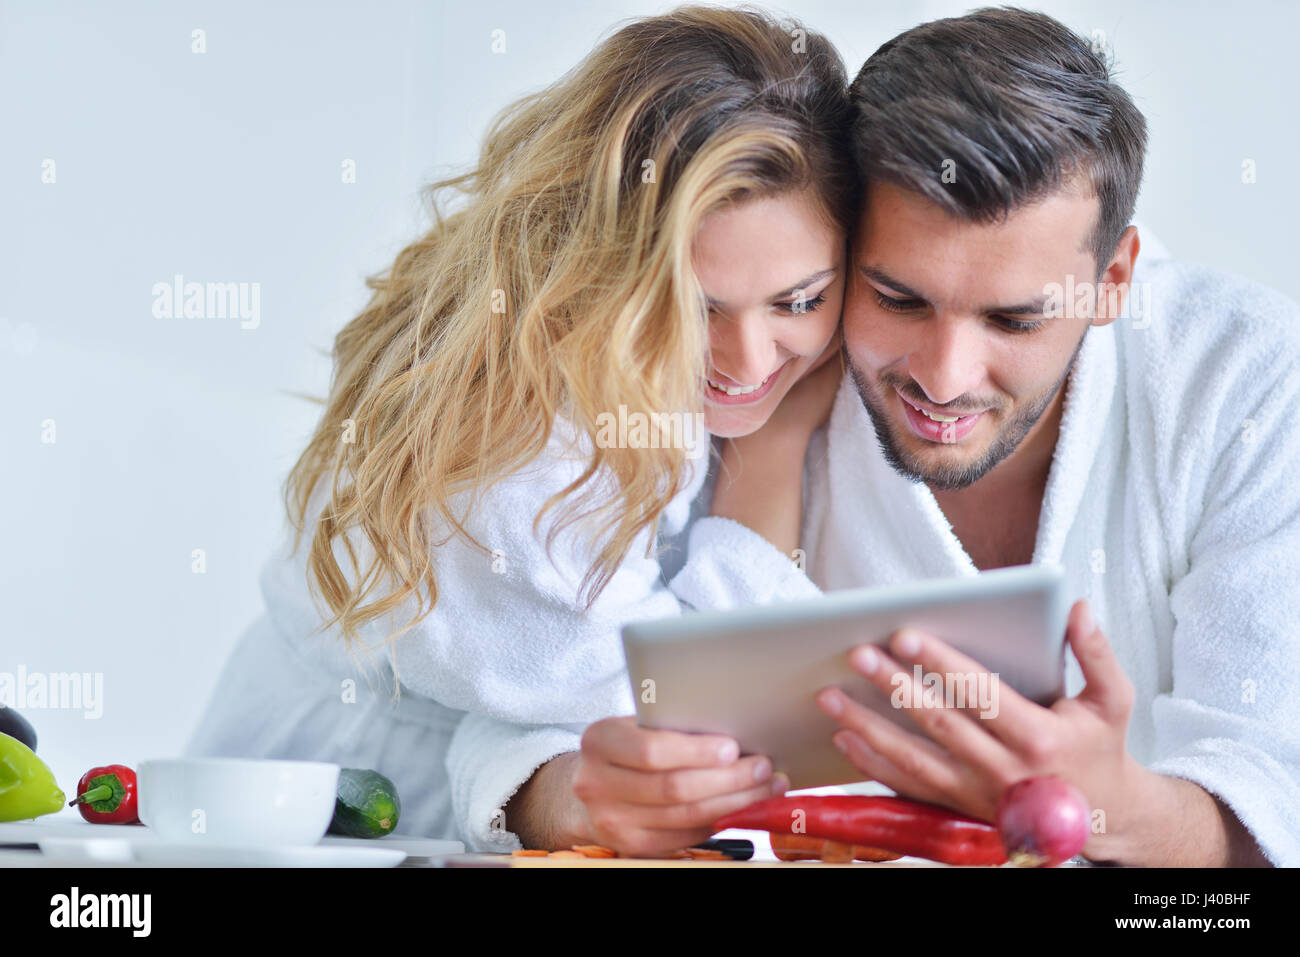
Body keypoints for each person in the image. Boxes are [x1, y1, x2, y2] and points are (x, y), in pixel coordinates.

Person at [185, 5, 857, 857]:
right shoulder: (521, 436)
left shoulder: (606, 349)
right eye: (694, 306)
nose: (749, 357)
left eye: (798, 300)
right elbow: (681, 713)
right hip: (334, 796)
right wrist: (773, 449)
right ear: (607, 261)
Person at [711, 7, 1300, 866]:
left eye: (1015, 319)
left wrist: (1118, 808)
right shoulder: (753, 362)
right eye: (899, 299)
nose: (944, 379)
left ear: (1114, 280)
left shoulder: (1239, 377)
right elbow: (523, 709)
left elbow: (1275, 799)